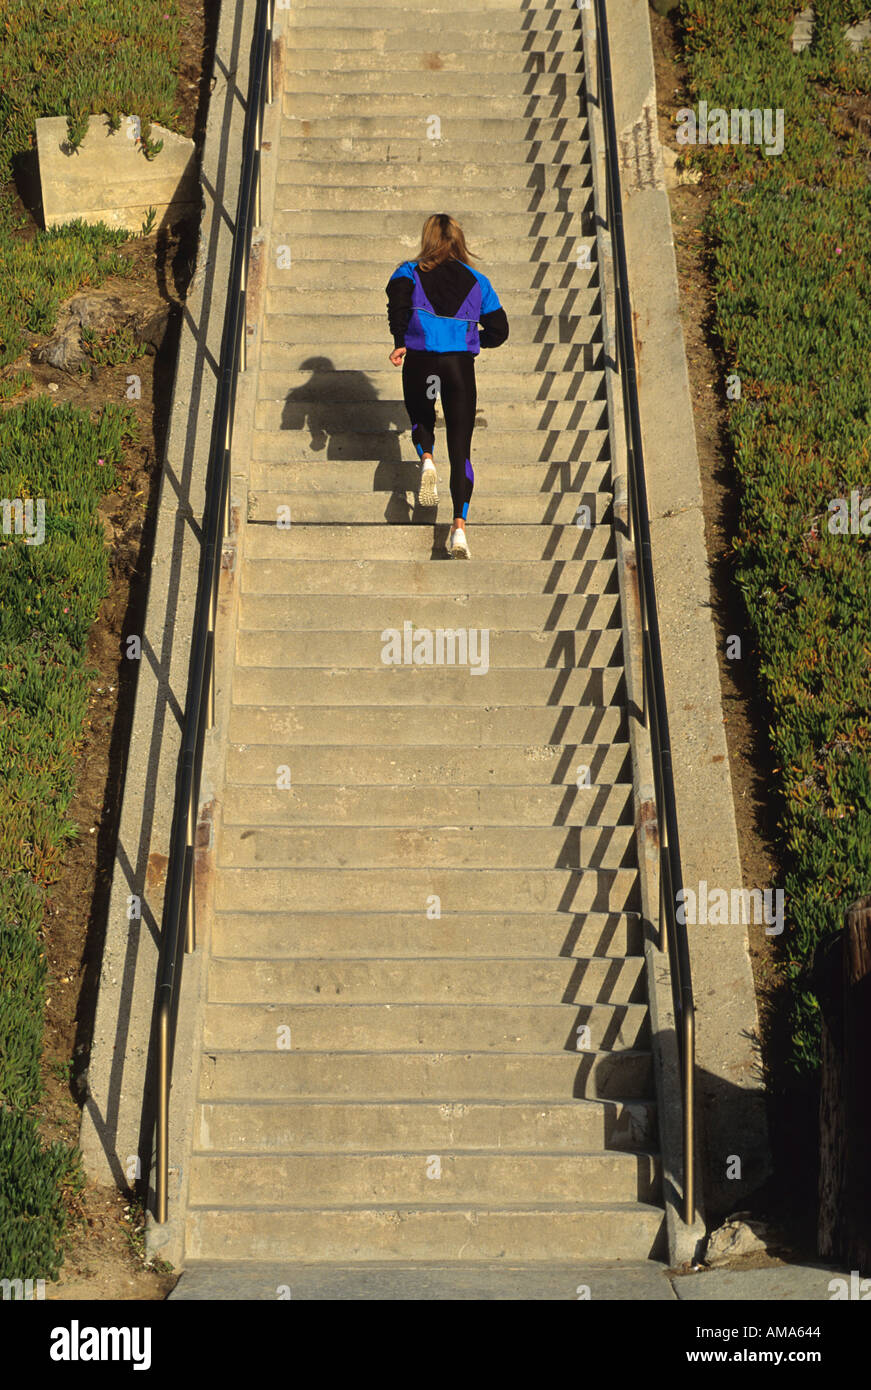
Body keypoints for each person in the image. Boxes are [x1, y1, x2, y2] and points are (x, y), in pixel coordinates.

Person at [385, 213, 509, 558]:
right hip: (458, 367)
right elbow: (500, 331)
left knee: (422, 417)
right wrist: (471, 339)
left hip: (422, 362)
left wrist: (400, 340)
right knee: (461, 449)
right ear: (459, 240)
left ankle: (426, 457)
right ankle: (458, 529)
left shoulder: (407, 272)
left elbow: (397, 306)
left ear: (427, 239)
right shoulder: (478, 281)